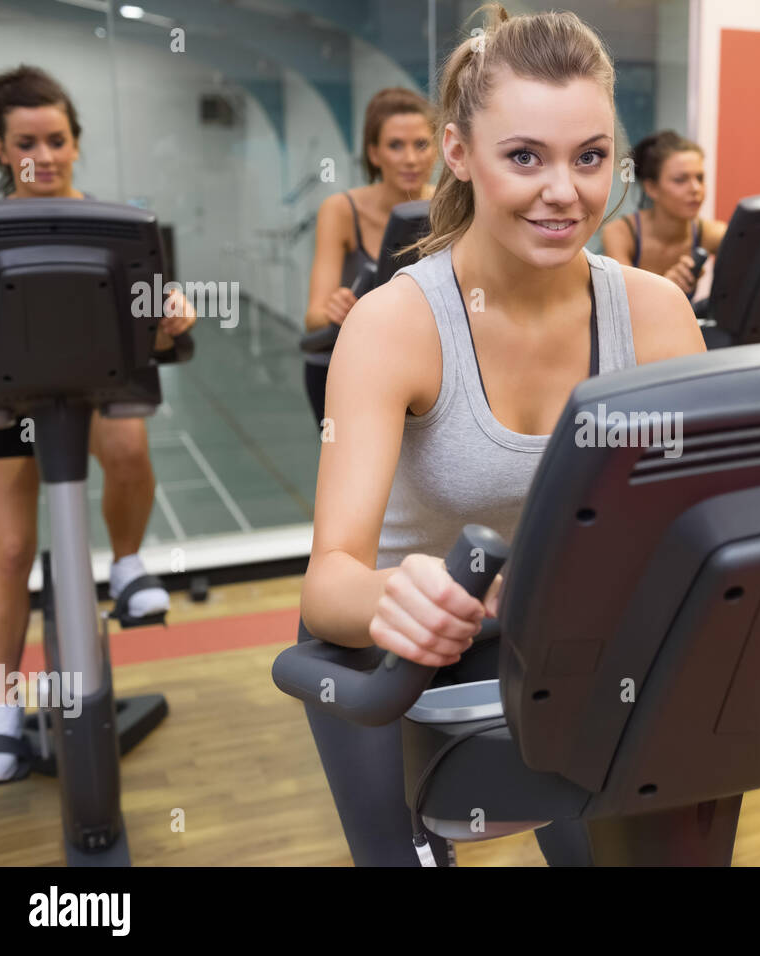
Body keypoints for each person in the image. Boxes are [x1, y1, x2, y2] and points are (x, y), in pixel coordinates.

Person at [297, 5, 705, 866]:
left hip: (562, 641)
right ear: (459, 153)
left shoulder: (655, 315)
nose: (564, 191)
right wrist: (396, 598)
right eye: (525, 156)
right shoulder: (396, 325)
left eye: (589, 158)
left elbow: (693, 526)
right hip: (397, 652)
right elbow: (328, 586)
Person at [0, 65, 197, 783]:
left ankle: (127, 562)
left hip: (95, 396)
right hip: (4, 402)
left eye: (56, 138)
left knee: (128, 441)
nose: (42, 154)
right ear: (2, 151)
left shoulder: (117, 228)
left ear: (76, 141)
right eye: (24, 143)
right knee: (9, 551)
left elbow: (153, 339)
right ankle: (1, 702)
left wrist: (171, 321)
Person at [302, 88, 437, 427]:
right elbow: (314, 316)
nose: (410, 158)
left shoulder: (450, 208)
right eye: (395, 145)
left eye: (421, 144)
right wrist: (336, 308)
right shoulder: (341, 211)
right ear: (374, 154)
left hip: (417, 367)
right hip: (342, 365)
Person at [600, 130, 726, 302]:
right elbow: (622, 304)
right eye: (680, 180)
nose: (696, 189)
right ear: (651, 188)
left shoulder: (711, 234)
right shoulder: (621, 233)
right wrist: (666, 287)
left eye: (700, 178)